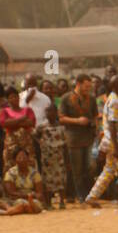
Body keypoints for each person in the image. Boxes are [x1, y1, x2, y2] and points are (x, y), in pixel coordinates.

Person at [85, 76, 118, 208]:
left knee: (109, 170)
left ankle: (92, 196)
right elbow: (113, 124)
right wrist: (116, 147)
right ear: (115, 87)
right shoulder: (115, 101)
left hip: (112, 141)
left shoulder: (115, 99)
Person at [59, 74, 98, 201]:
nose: (88, 89)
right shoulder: (66, 98)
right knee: (77, 170)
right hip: (73, 138)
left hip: (89, 138)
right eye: (86, 86)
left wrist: (94, 124)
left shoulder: (91, 99)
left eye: (89, 87)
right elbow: (61, 118)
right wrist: (77, 121)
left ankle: (90, 193)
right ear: (79, 84)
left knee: (90, 166)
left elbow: (96, 116)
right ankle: (81, 195)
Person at [38, 79, 68, 207]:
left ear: (56, 113)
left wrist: (66, 159)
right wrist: (41, 144)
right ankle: (49, 202)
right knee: (47, 181)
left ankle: (62, 201)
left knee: (61, 180)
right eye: (48, 111)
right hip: (47, 158)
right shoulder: (42, 127)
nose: (50, 113)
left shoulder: (61, 126)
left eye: (52, 111)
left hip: (59, 157)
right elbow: (35, 135)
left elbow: (65, 143)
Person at [0, 87, 36, 172]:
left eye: (15, 96)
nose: (14, 99)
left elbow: (31, 123)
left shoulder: (28, 110)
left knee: (29, 165)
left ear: (19, 97)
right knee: (10, 166)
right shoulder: (5, 111)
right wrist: (21, 119)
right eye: (10, 97)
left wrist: (13, 123)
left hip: (26, 144)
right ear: (7, 100)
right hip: (11, 144)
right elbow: (4, 123)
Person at [3, 146, 45, 213]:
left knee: (36, 203)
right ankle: (30, 207)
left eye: (24, 157)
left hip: (32, 198)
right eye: (19, 158)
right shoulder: (10, 173)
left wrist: (34, 196)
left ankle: (30, 207)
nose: (22, 160)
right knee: (21, 203)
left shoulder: (34, 173)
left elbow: (39, 192)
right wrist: (28, 195)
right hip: (17, 199)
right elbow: (11, 193)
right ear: (14, 160)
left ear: (28, 158)